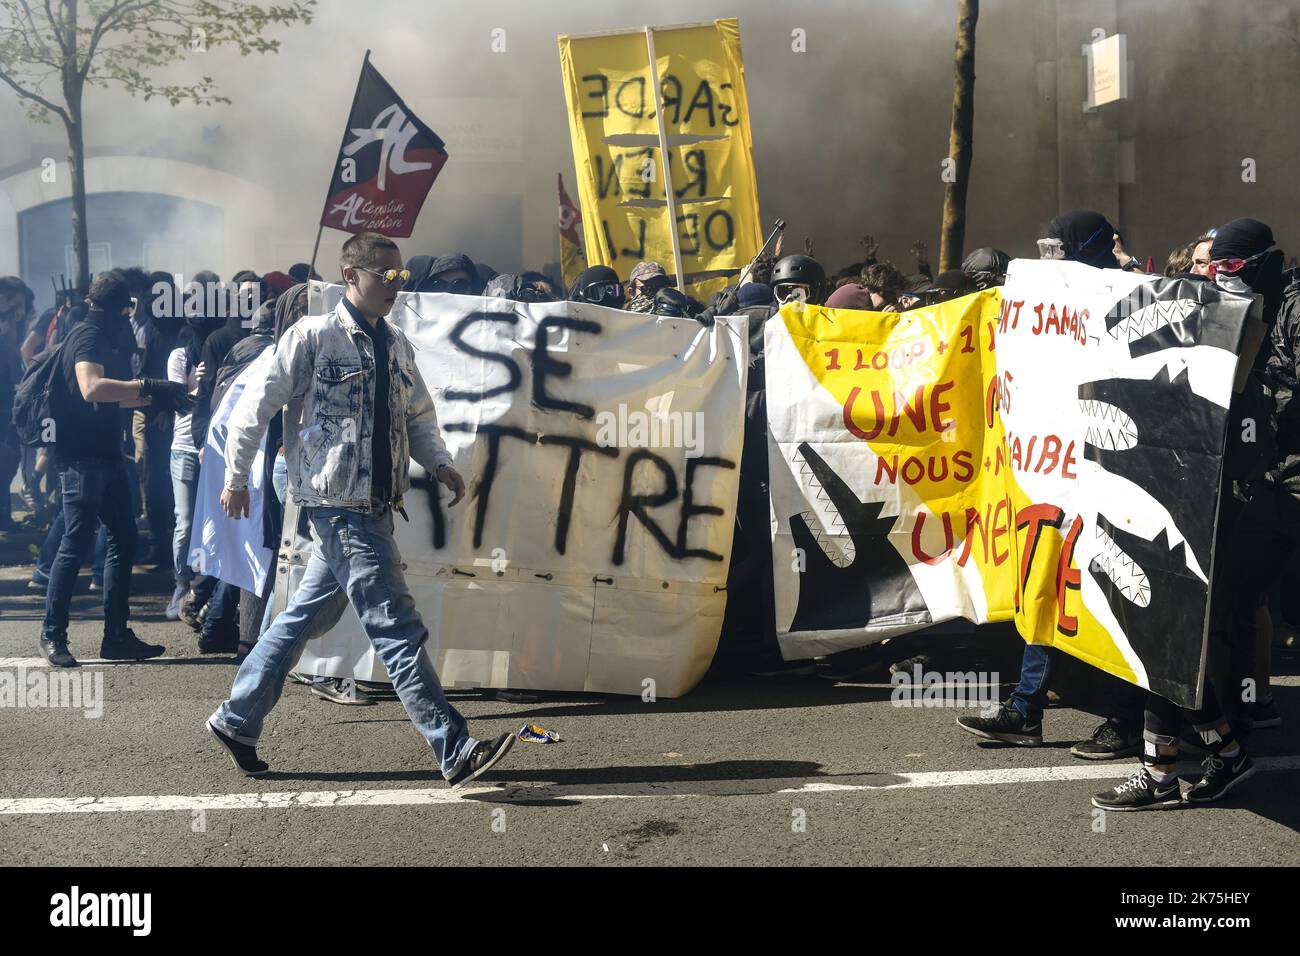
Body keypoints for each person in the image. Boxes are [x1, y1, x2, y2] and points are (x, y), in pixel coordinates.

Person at [206, 231, 516, 787]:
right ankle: (454, 748)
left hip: (375, 506)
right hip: (335, 506)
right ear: (351, 275)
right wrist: (236, 478)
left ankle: (236, 718)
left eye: (399, 277)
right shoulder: (314, 336)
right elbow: (258, 405)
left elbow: (417, 414)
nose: (396, 286)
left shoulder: (396, 343)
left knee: (304, 618)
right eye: (385, 276)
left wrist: (440, 462)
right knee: (396, 626)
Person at [1093, 218, 1289, 809]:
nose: (1209, 276)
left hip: (1239, 506)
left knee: (1179, 633)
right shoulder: (1215, 313)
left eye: (1223, 266)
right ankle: (1221, 755)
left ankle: (1171, 770)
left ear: (1255, 267)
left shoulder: (1263, 316)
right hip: (1200, 500)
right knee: (1176, 636)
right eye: (1204, 266)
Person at [39, 270, 192, 667]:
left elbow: (110, 398)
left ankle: (117, 637)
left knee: (124, 540)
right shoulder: (88, 335)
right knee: (75, 544)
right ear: (122, 307)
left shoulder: (102, 332)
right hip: (81, 457)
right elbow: (92, 387)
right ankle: (52, 636)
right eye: (127, 310)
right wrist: (149, 386)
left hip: (106, 453)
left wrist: (157, 397)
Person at [167, 270, 222, 622]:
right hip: (185, 446)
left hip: (216, 447)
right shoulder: (179, 355)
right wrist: (196, 385)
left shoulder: (220, 346)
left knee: (211, 522)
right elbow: (176, 399)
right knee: (185, 521)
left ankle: (206, 589)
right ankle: (181, 583)